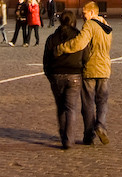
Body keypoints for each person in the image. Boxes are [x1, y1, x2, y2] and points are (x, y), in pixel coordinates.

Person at [56, 1, 113, 146]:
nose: (83, 16)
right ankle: (101, 125)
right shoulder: (107, 26)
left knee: (88, 103)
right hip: (105, 68)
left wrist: (63, 48)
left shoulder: (90, 25)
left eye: (85, 13)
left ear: (92, 13)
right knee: (102, 101)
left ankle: (89, 135)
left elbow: (79, 43)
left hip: (91, 68)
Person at [43, 11, 87, 150]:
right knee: (71, 108)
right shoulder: (79, 37)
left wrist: (49, 75)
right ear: (73, 21)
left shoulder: (52, 38)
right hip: (74, 75)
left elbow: (46, 60)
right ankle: (68, 139)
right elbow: (85, 56)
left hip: (56, 75)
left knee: (61, 107)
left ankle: (63, 135)